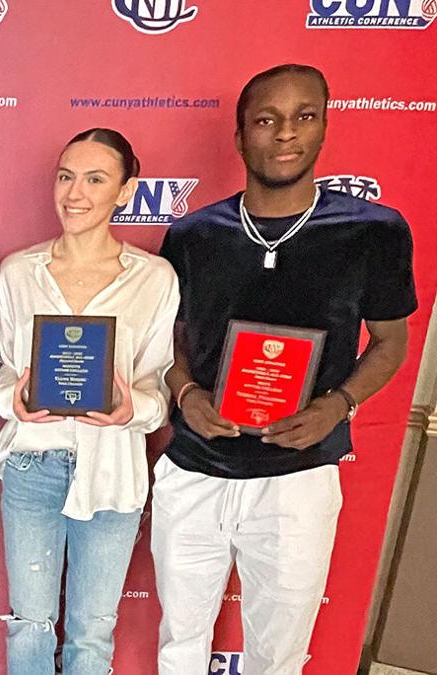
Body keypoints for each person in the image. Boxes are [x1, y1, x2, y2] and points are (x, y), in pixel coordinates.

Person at [155, 64, 416, 674]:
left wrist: (337, 406)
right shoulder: (193, 235)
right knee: (179, 645)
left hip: (298, 478)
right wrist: (186, 392)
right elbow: (166, 341)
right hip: (195, 470)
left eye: (304, 116)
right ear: (240, 135)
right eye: (266, 120)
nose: (286, 133)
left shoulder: (372, 232)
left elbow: (390, 343)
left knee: (279, 656)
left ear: (324, 126)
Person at [0, 128, 179, 675]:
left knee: (93, 633)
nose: (75, 193)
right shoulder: (19, 272)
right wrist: (11, 400)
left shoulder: (154, 279)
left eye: (95, 179)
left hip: (114, 468)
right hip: (32, 464)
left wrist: (132, 410)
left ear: (126, 190)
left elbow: (159, 389)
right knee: (29, 624)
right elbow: (5, 370)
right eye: (66, 177)